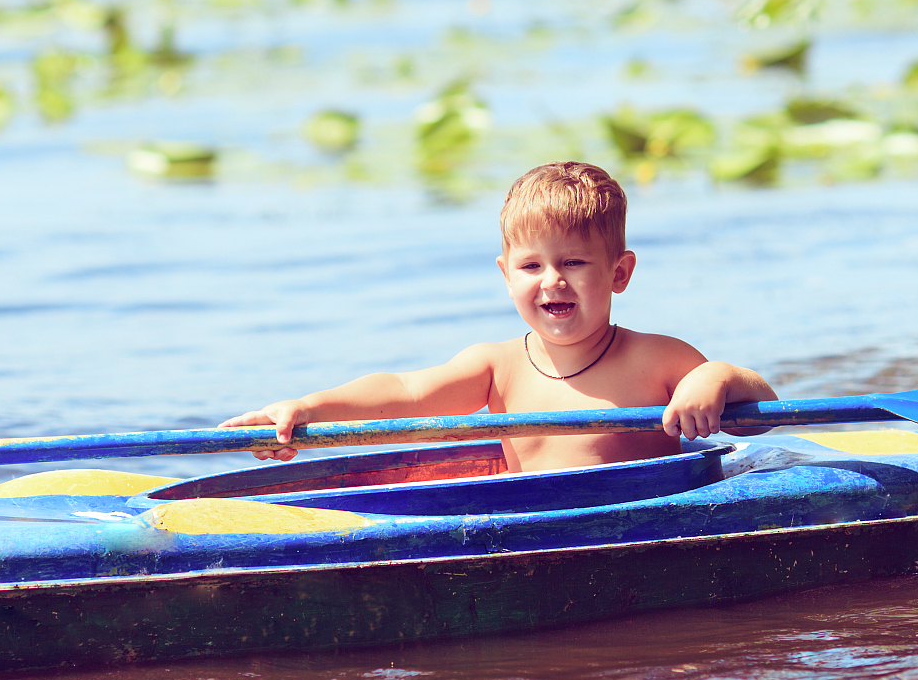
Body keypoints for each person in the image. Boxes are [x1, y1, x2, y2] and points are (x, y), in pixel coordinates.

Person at [220, 161, 776, 472]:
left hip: (640, 520)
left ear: (619, 274)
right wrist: (306, 410)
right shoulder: (497, 366)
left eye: (574, 262)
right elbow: (404, 392)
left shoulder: (656, 359)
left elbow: (765, 410)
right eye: (531, 265)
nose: (552, 280)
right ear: (506, 274)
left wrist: (717, 378)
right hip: (532, 526)